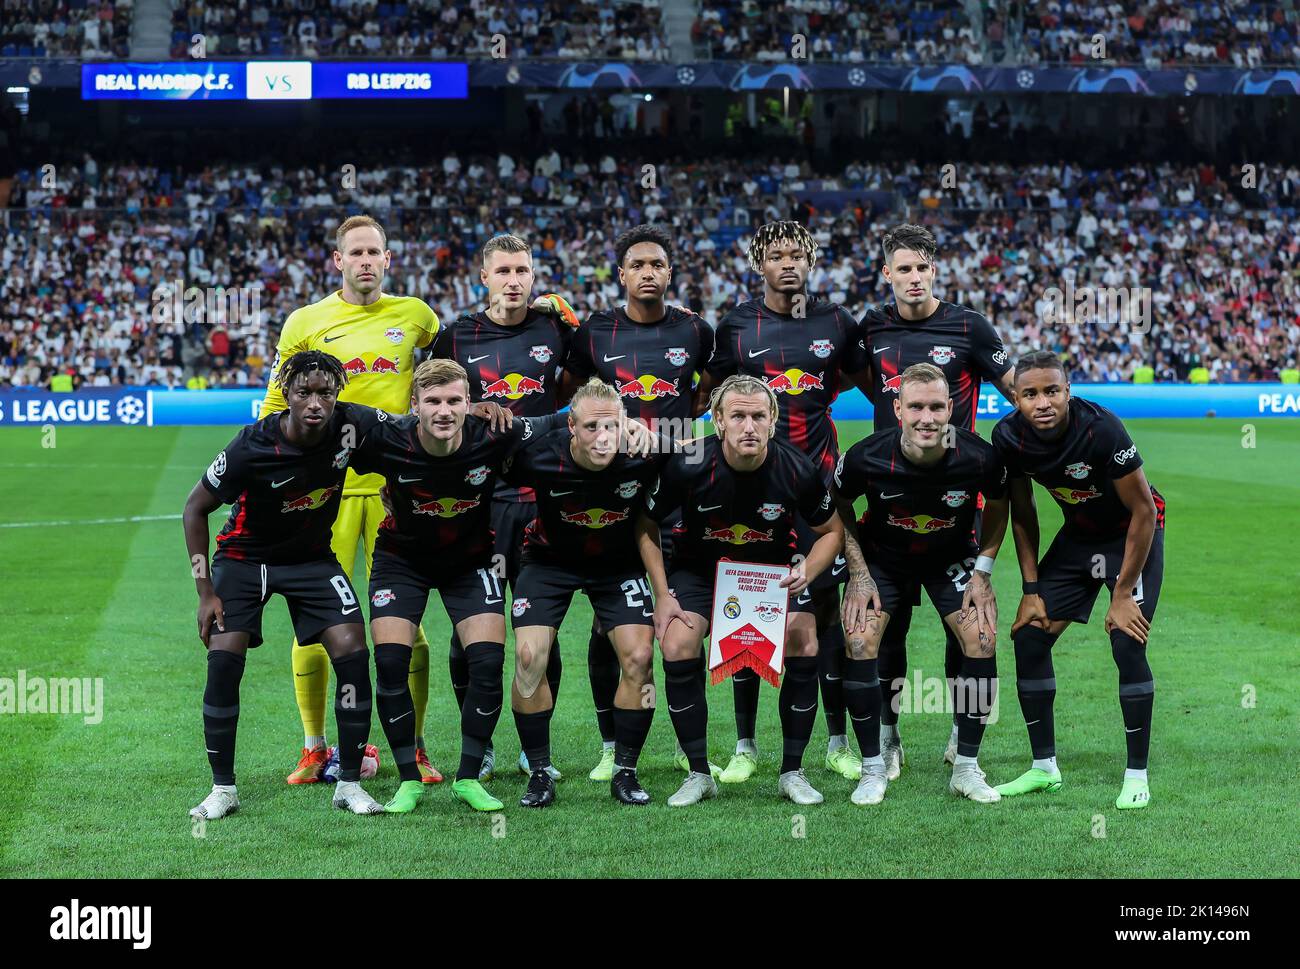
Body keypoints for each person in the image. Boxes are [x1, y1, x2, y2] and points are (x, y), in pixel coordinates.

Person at [260, 215, 443, 786]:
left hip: (397, 490)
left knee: (407, 622)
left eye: (375, 252)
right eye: (355, 252)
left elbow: (450, 377)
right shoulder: (306, 322)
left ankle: (412, 747)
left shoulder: (417, 317)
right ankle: (315, 746)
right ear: (337, 261)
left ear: (388, 260)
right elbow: (273, 406)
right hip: (326, 494)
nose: (365, 260)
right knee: (314, 623)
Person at [695, 220, 868, 785]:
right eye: (776, 255)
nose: (787, 264)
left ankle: (837, 742)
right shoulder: (737, 326)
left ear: (811, 261)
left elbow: (866, 385)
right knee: (745, 616)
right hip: (750, 494)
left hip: (817, 496)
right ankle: (745, 745)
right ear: (758, 264)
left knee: (823, 619)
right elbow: (712, 398)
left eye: (797, 254)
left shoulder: (836, 323)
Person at [348, 358, 559, 813]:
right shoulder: (388, 439)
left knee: (486, 663)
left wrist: (626, 426)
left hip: (469, 561)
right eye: (433, 401)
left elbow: (558, 420)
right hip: (401, 561)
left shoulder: (493, 433)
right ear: (414, 405)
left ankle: (468, 778)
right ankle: (409, 779)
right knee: (390, 663)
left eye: (454, 401)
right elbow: (334, 424)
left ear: (470, 403)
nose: (444, 411)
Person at [183, 351, 387, 820]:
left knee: (354, 654)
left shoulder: (351, 426)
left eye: (325, 393)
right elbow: (194, 508)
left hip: (311, 559)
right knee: (224, 660)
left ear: (338, 395)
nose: (315, 402)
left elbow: (406, 435)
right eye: (304, 393)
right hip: (243, 558)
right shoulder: (252, 445)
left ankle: (349, 783)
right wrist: (205, 591)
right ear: (287, 395)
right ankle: (223, 789)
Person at [856, 222, 1015, 780]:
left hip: (956, 500)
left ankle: (959, 738)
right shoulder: (870, 329)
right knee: (887, 630)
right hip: (888, 497)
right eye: (904, 268)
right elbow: (830, 380)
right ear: (887, 275)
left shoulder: (969, 326)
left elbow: (1016, 386)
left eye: (923, 268)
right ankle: (889, 735)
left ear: (934, 271)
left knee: (964, 628)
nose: (915, 278)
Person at [640, 374, 844, 806]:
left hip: (770, 571)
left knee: (804, 639)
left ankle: (793, 771)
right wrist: (662, 593)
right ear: (718, 421)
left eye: (757, 416)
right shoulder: (687, 463)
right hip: (701, 571)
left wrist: (809, 567)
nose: (748, 426)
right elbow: (644, 523)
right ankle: (698, 774)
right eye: (737, 416)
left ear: (772, 420)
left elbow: (830, 531)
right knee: (677, 643)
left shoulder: (796, 468)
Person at [560, 224, 715, 782]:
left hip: (676, 496)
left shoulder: (696, 331)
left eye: (658, 265)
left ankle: (684, 743)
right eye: (638, 265)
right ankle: (610, 744)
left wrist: (668, 436)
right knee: (610, 626)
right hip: (613, 496)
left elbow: (708, 395)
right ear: (621, 275)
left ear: (670, 273)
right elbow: (569, 397)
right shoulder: (595, 334)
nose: (648, 273)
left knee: (679, 620)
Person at [428, 232, 579, 783]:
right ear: (484, 277)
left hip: (542, 499)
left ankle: (534, 747)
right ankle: (481, 744)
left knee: (540, 626)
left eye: (523, 271)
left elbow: (586, 386)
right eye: (504, 271)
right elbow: (426, 402)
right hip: (476, 501)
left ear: (534, 278)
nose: (514, 281)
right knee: (473, 628)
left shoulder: (555, 329)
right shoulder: (457, 335)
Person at [989, 351, 1165, 810]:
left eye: (1052, 391)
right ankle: (1043, 768)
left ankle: (1136, 775)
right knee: (1029, 637)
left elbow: (1144, 511)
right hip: (1081, 537)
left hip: (1131, 535)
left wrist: (1123, 593)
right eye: (1030, 394)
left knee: (1128, 641)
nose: (1043, 402)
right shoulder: (1007, 437)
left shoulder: (1101, 428)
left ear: (1068, 391)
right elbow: (1022, 512)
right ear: (1015, 398)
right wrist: (1030, 590)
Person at [835, 363, 1009, 805]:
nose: (926, 418)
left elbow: (1002, 504)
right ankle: (874, 765)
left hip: (950, 556)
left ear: (951, 407)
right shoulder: (866, 456)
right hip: (885, 559)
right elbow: (836, 505)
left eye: (936, 406)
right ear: (897, 409)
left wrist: (983, 572)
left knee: (982, 638)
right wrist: (857, 572)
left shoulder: (979, 456)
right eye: (916, 407)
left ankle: (966, 766)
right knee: (860, 641)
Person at [501, 378, 663, 807]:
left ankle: (625, 771)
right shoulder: (538, 457)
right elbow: (477, 468)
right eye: (591, 427)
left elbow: (698, 457)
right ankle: (539, 772)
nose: (603, 437)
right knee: (529, 657)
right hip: (548, 561)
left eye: (612, 425)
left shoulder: (643, 456)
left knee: (640, 659)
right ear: (570, 426)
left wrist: (656, 435)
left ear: (625, 423)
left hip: (617, 566)